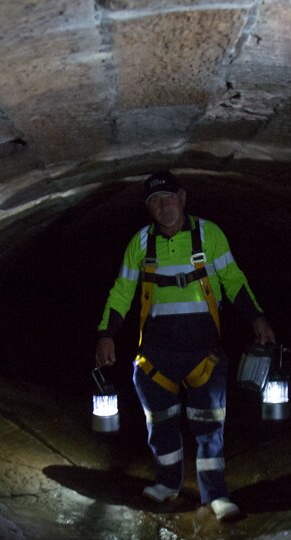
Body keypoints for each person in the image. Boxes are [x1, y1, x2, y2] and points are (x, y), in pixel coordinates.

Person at [95, 170, 275, 521]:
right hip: (156, 355)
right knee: (160, 422)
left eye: (169, 198)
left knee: (209, 425)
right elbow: (122, 291)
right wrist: (106, 333)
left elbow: (234, 280)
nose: (164, 207)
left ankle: (215, 494)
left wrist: (257, 318)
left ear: (182, 198)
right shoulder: (140, 243)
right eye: (155, 202)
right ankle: (167, 482)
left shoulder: (209, 234)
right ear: (149, 209)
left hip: (203, 351)